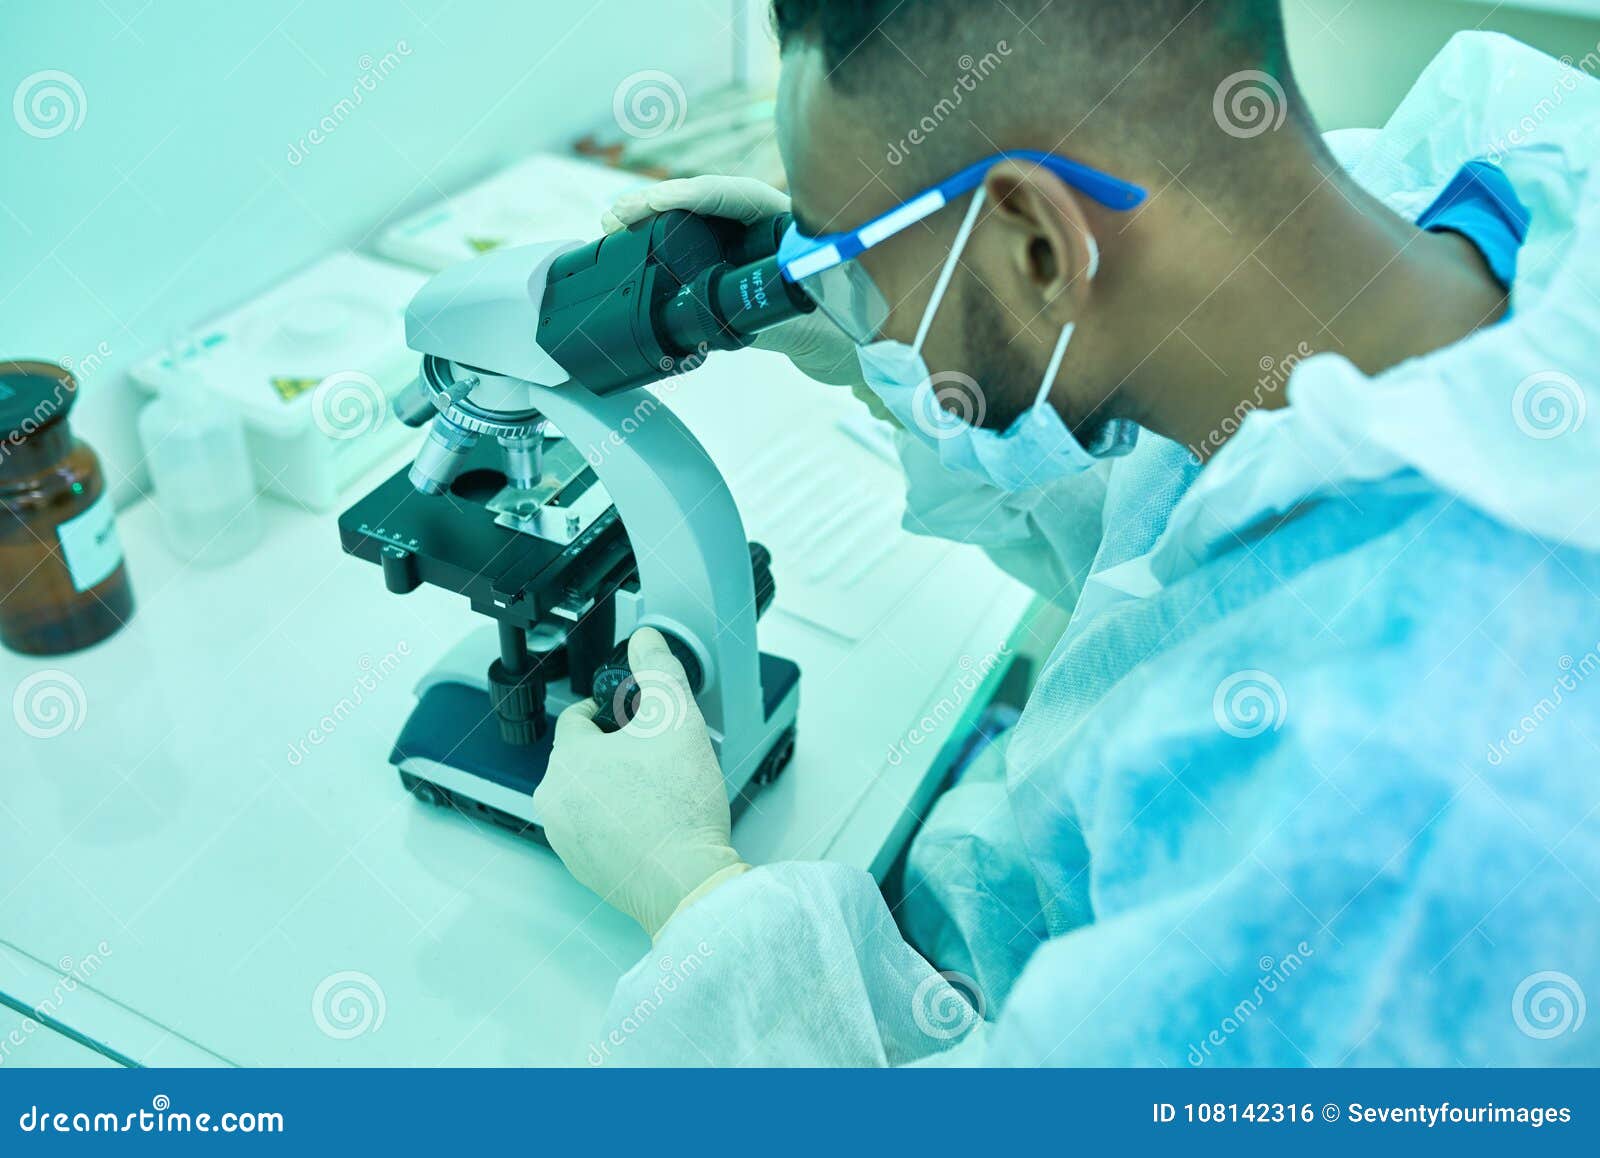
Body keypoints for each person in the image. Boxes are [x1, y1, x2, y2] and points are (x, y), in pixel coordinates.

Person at [532, 0, 1600, 1065]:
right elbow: (1171, 522)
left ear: (1040, 248)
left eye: (857, 268)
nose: (854, 303)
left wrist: (695, 897)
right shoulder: (1465, 222)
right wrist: (868, 333)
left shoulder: (1385, 814)